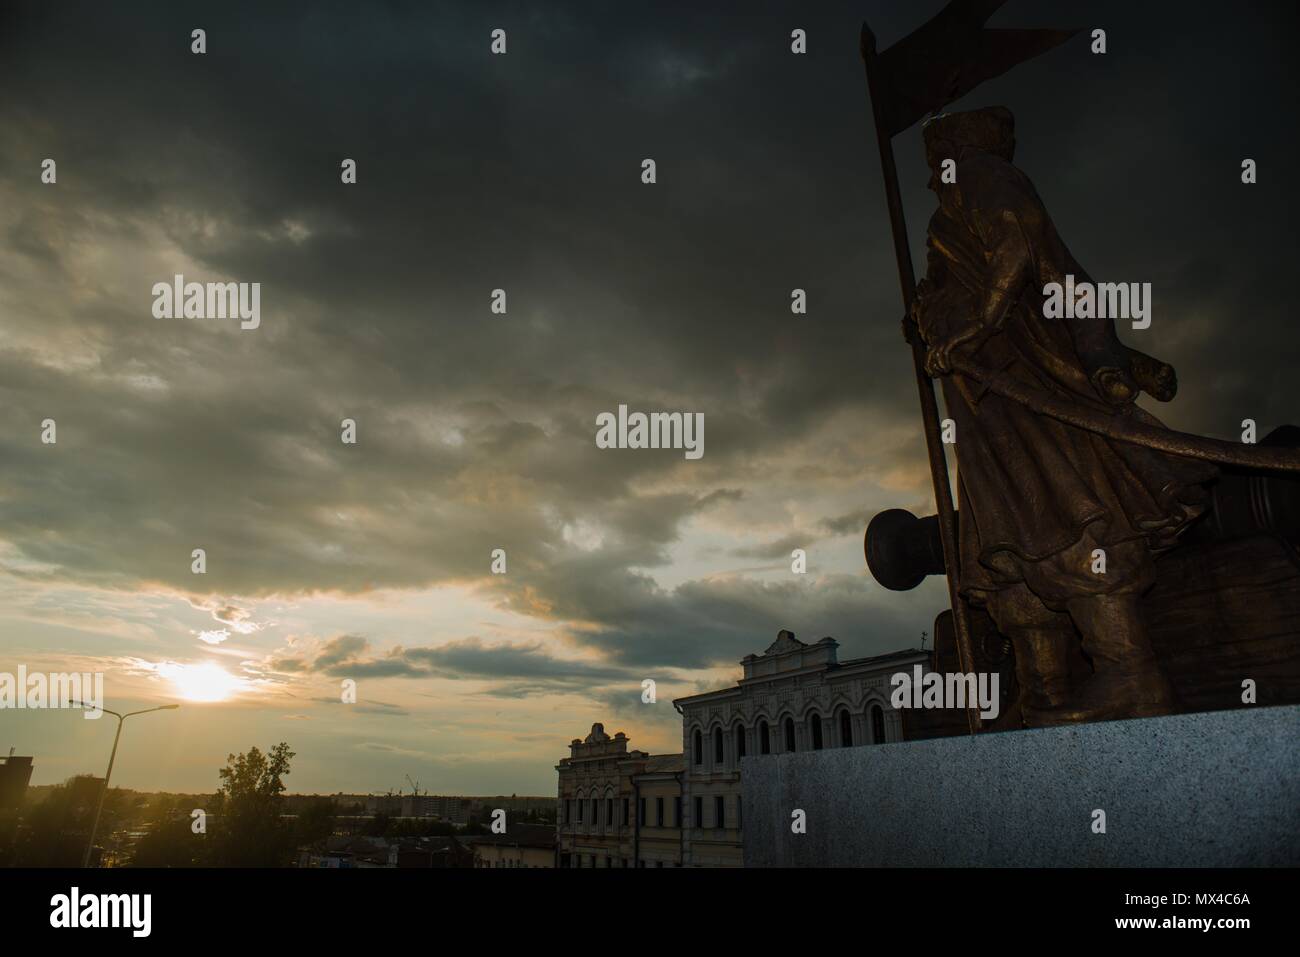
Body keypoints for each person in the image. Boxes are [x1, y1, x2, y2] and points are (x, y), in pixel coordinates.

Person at [909, 106, 1216, 725]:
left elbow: (1020, 238)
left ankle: (1131, 676)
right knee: (1014, 548)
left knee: (1065, 522)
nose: (929, 179)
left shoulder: (980, 173)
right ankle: (1044, 691)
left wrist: (976, 321)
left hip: (1023, 391)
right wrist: (926, 313)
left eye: (935, 162)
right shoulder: (949, 214)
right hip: (986, 405)